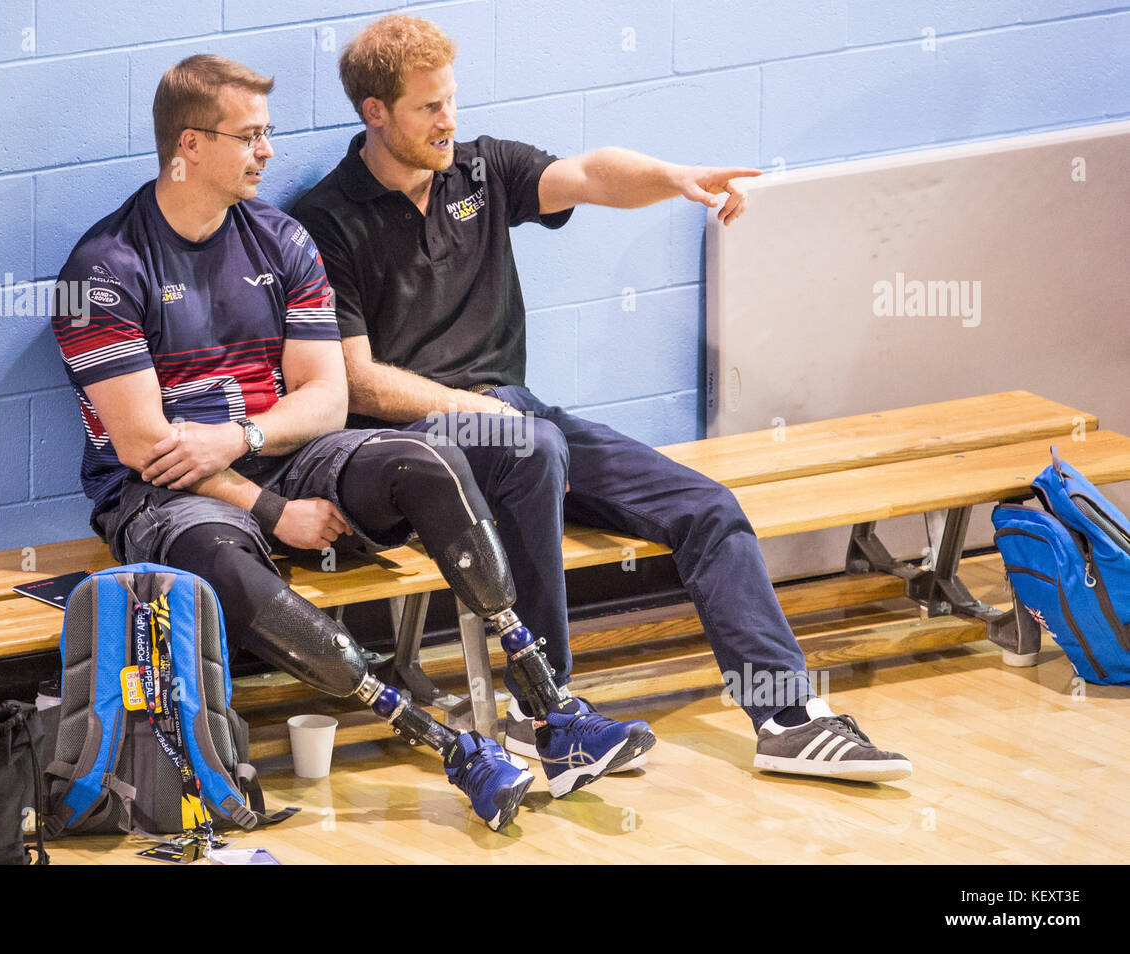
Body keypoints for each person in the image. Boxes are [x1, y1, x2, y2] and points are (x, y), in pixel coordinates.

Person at [290, 14, 911, 782]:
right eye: (428, 108)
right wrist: (470, 410)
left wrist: (675, 179)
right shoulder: (324, 221)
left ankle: (786, 716)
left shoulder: (478, 172)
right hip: (417, 447)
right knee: (533, 444)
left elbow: (589, 174)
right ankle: (543, 715)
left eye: (451, 101)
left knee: (704, 507)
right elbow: (356, 380)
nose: (449, 121)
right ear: (375, 112)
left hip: (519, 417)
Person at [49, 55, 654, 832]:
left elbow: (328, 398)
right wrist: (272, 510)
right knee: (217, 563)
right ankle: (448, 745)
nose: (268, 151)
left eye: (268, 134)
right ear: (189, 146)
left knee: (426, 461)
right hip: (167, 497)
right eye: (251, 137)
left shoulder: (282, 240)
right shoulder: (105, 269)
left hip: (281, 453)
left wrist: (248, 435)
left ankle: (550, 707)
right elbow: (148, 450)